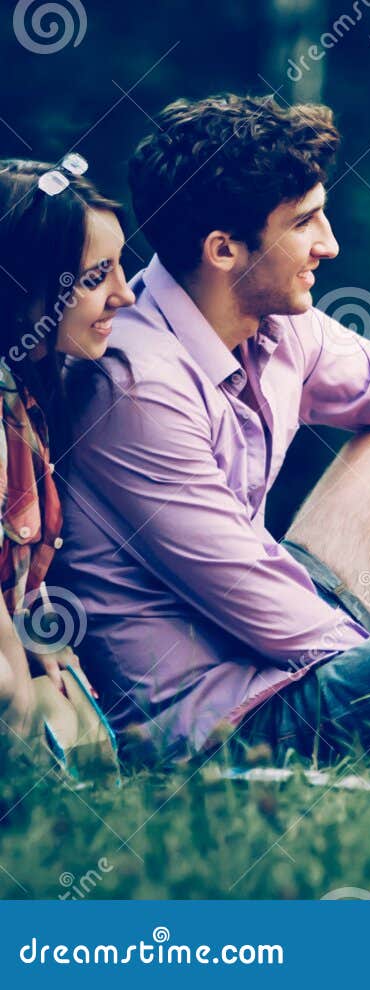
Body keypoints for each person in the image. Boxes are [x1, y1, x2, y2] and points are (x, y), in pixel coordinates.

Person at [56, 95, 370, 766]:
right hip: (232, 728)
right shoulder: (135, 389)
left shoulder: (278, 325)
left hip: (278, 653)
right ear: (222, 249)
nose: (329, 244)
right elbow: (268, 611)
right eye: (304, 223)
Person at [0, 155, 134, 750]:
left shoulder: (28, 393)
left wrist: (38, 630)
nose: (124, 295)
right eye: (93, 278)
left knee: (84, 735)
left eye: (120, 269)